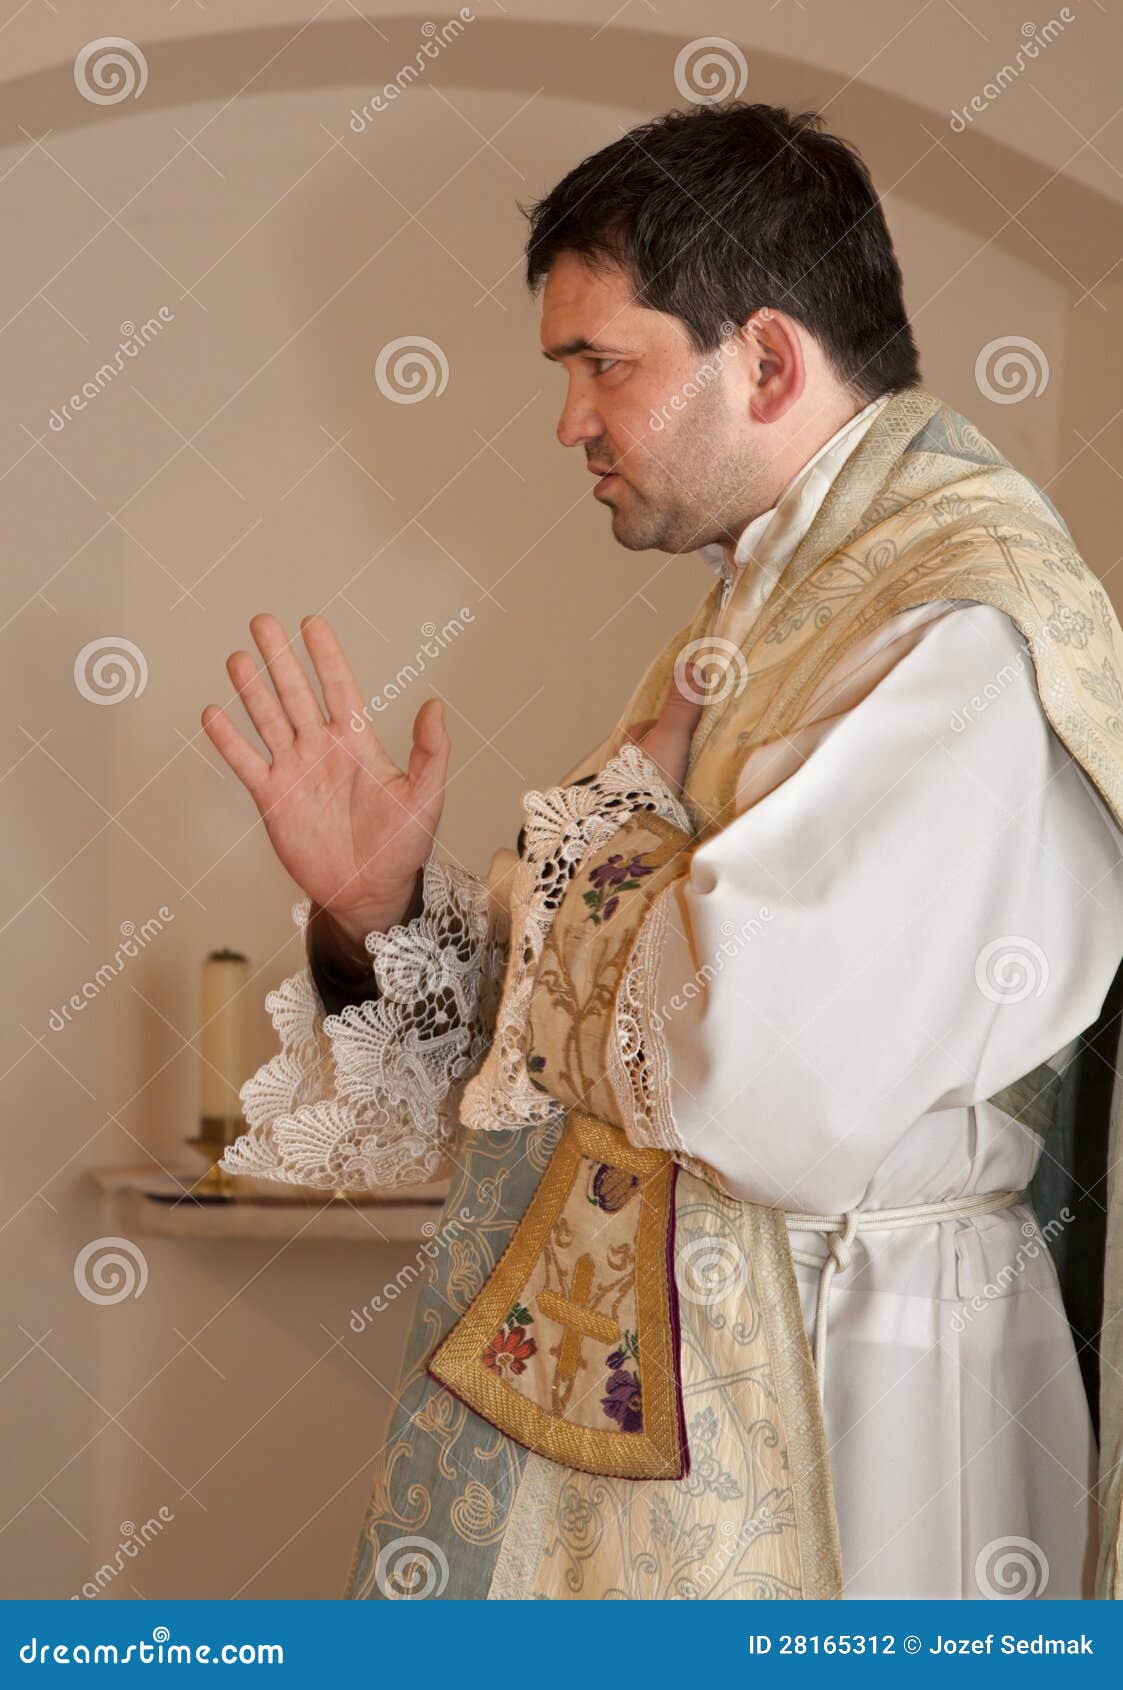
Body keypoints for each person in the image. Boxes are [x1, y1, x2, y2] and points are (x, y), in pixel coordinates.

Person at [202, 102, 1123, 1600]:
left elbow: (759, 1074)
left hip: (858, 1389)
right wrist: (374, 915)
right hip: (701, 1371)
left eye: (600, 364)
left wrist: (609, 844)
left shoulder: (953, 628)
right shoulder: (765, 617)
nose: (570, 419)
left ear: (765, 358)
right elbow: (555, 1051)